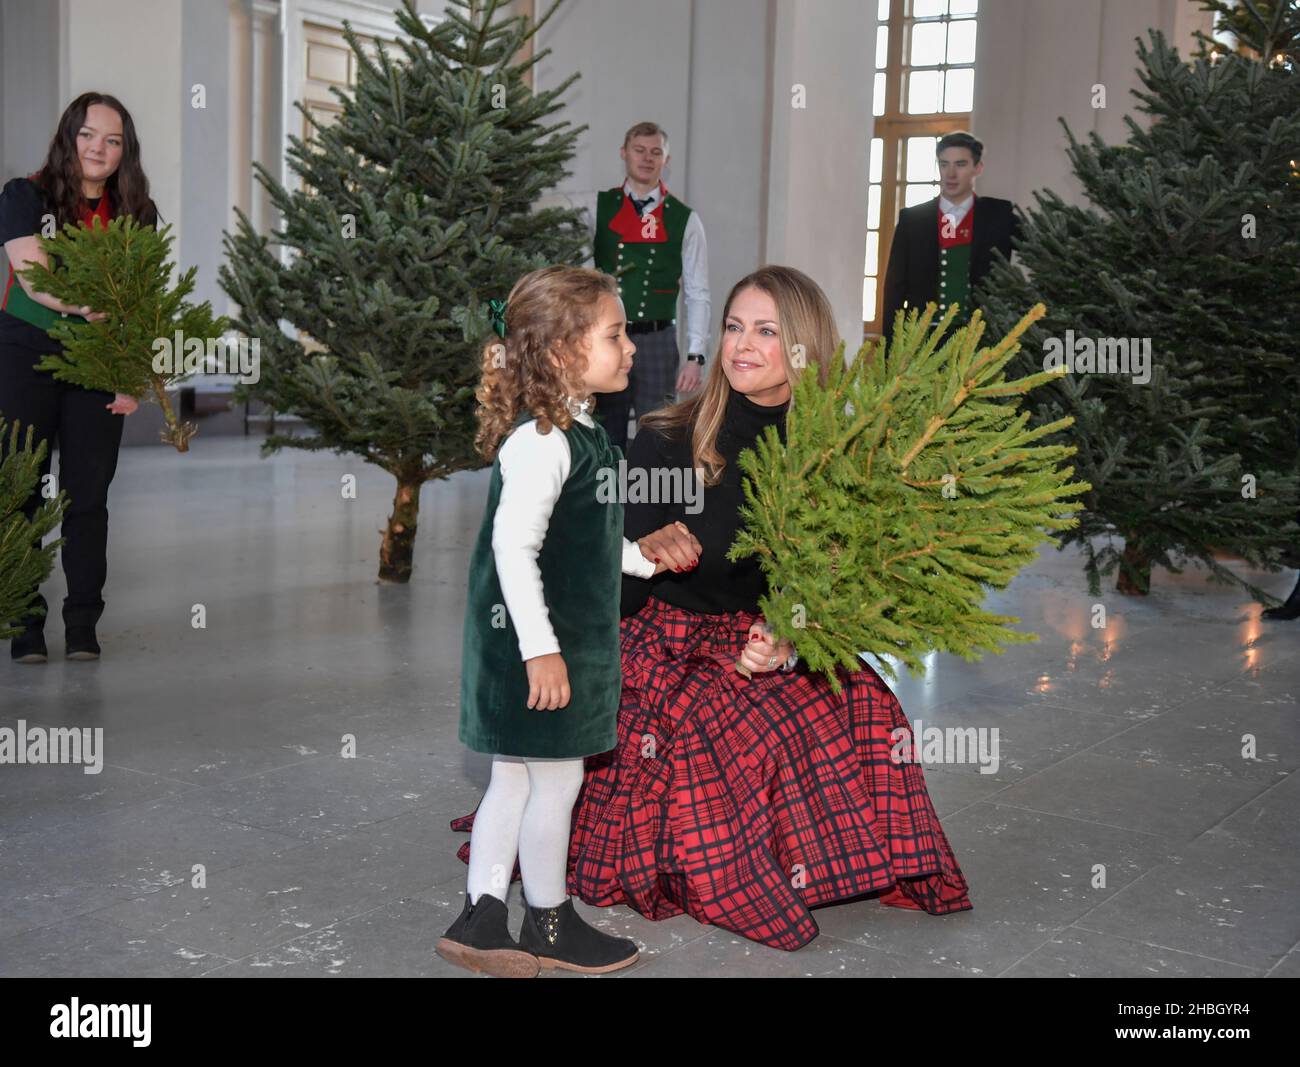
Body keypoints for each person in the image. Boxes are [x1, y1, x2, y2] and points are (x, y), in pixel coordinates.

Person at [453, 265, 972, 952]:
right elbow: (606, 580)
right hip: (661, 635)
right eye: (732, 326)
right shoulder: (666, 438)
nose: (741, 344)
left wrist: (790, 631)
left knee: (866, 704)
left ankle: (824, 864)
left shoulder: (832, 457)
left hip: (762, 634)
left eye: (765, 329)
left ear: (804, 347)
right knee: (730, 722)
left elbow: (832, 572)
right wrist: (646, 547)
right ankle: (526, 910)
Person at [436, 265, 687, 977]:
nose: (632, 348)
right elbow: (512, 548)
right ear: (560, 352)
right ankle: (548, 919)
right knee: (557, 783)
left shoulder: (576, 432)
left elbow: (586, 540)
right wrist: (542, 651)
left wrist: (643, 558)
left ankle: (482, 913)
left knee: (513, 780)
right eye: (614, 335)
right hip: (540, 649)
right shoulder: (543, 442)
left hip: (524, 647)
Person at [0, 92, 154, 663]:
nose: (100, 149)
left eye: (113, 141)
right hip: (24, 355)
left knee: (88, 496)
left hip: (99, 363)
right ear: (69, 136)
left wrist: (130, 375)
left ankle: (84, 623)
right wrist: (88, 304)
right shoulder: (24, 195)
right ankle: (24, 623)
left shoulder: (136, 210)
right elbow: (33, 276)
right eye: (89, 135)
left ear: (125, 150)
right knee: (21, 492)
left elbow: (141, 301)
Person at [584, 121, 710, 450]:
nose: (647, 158)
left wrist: (696, 356)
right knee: (603, 433)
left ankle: (652, 502)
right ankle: (605, 501)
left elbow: (698, 292)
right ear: (624, 153)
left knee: (659, 436)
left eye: (656, 152)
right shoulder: (597, 206)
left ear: (666, 160)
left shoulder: (685, 218)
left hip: (658, 342)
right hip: (606, 338)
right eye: (639, 150)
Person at [880, 130, 1020, 348]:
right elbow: (894, 288)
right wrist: (889, 347)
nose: (951, 174)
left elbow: (1040, 251)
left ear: (978, 168)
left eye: (961, 164)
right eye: (944, 164)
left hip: (982, 342)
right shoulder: (912, 219)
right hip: (920, 342)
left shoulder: (999, 215)